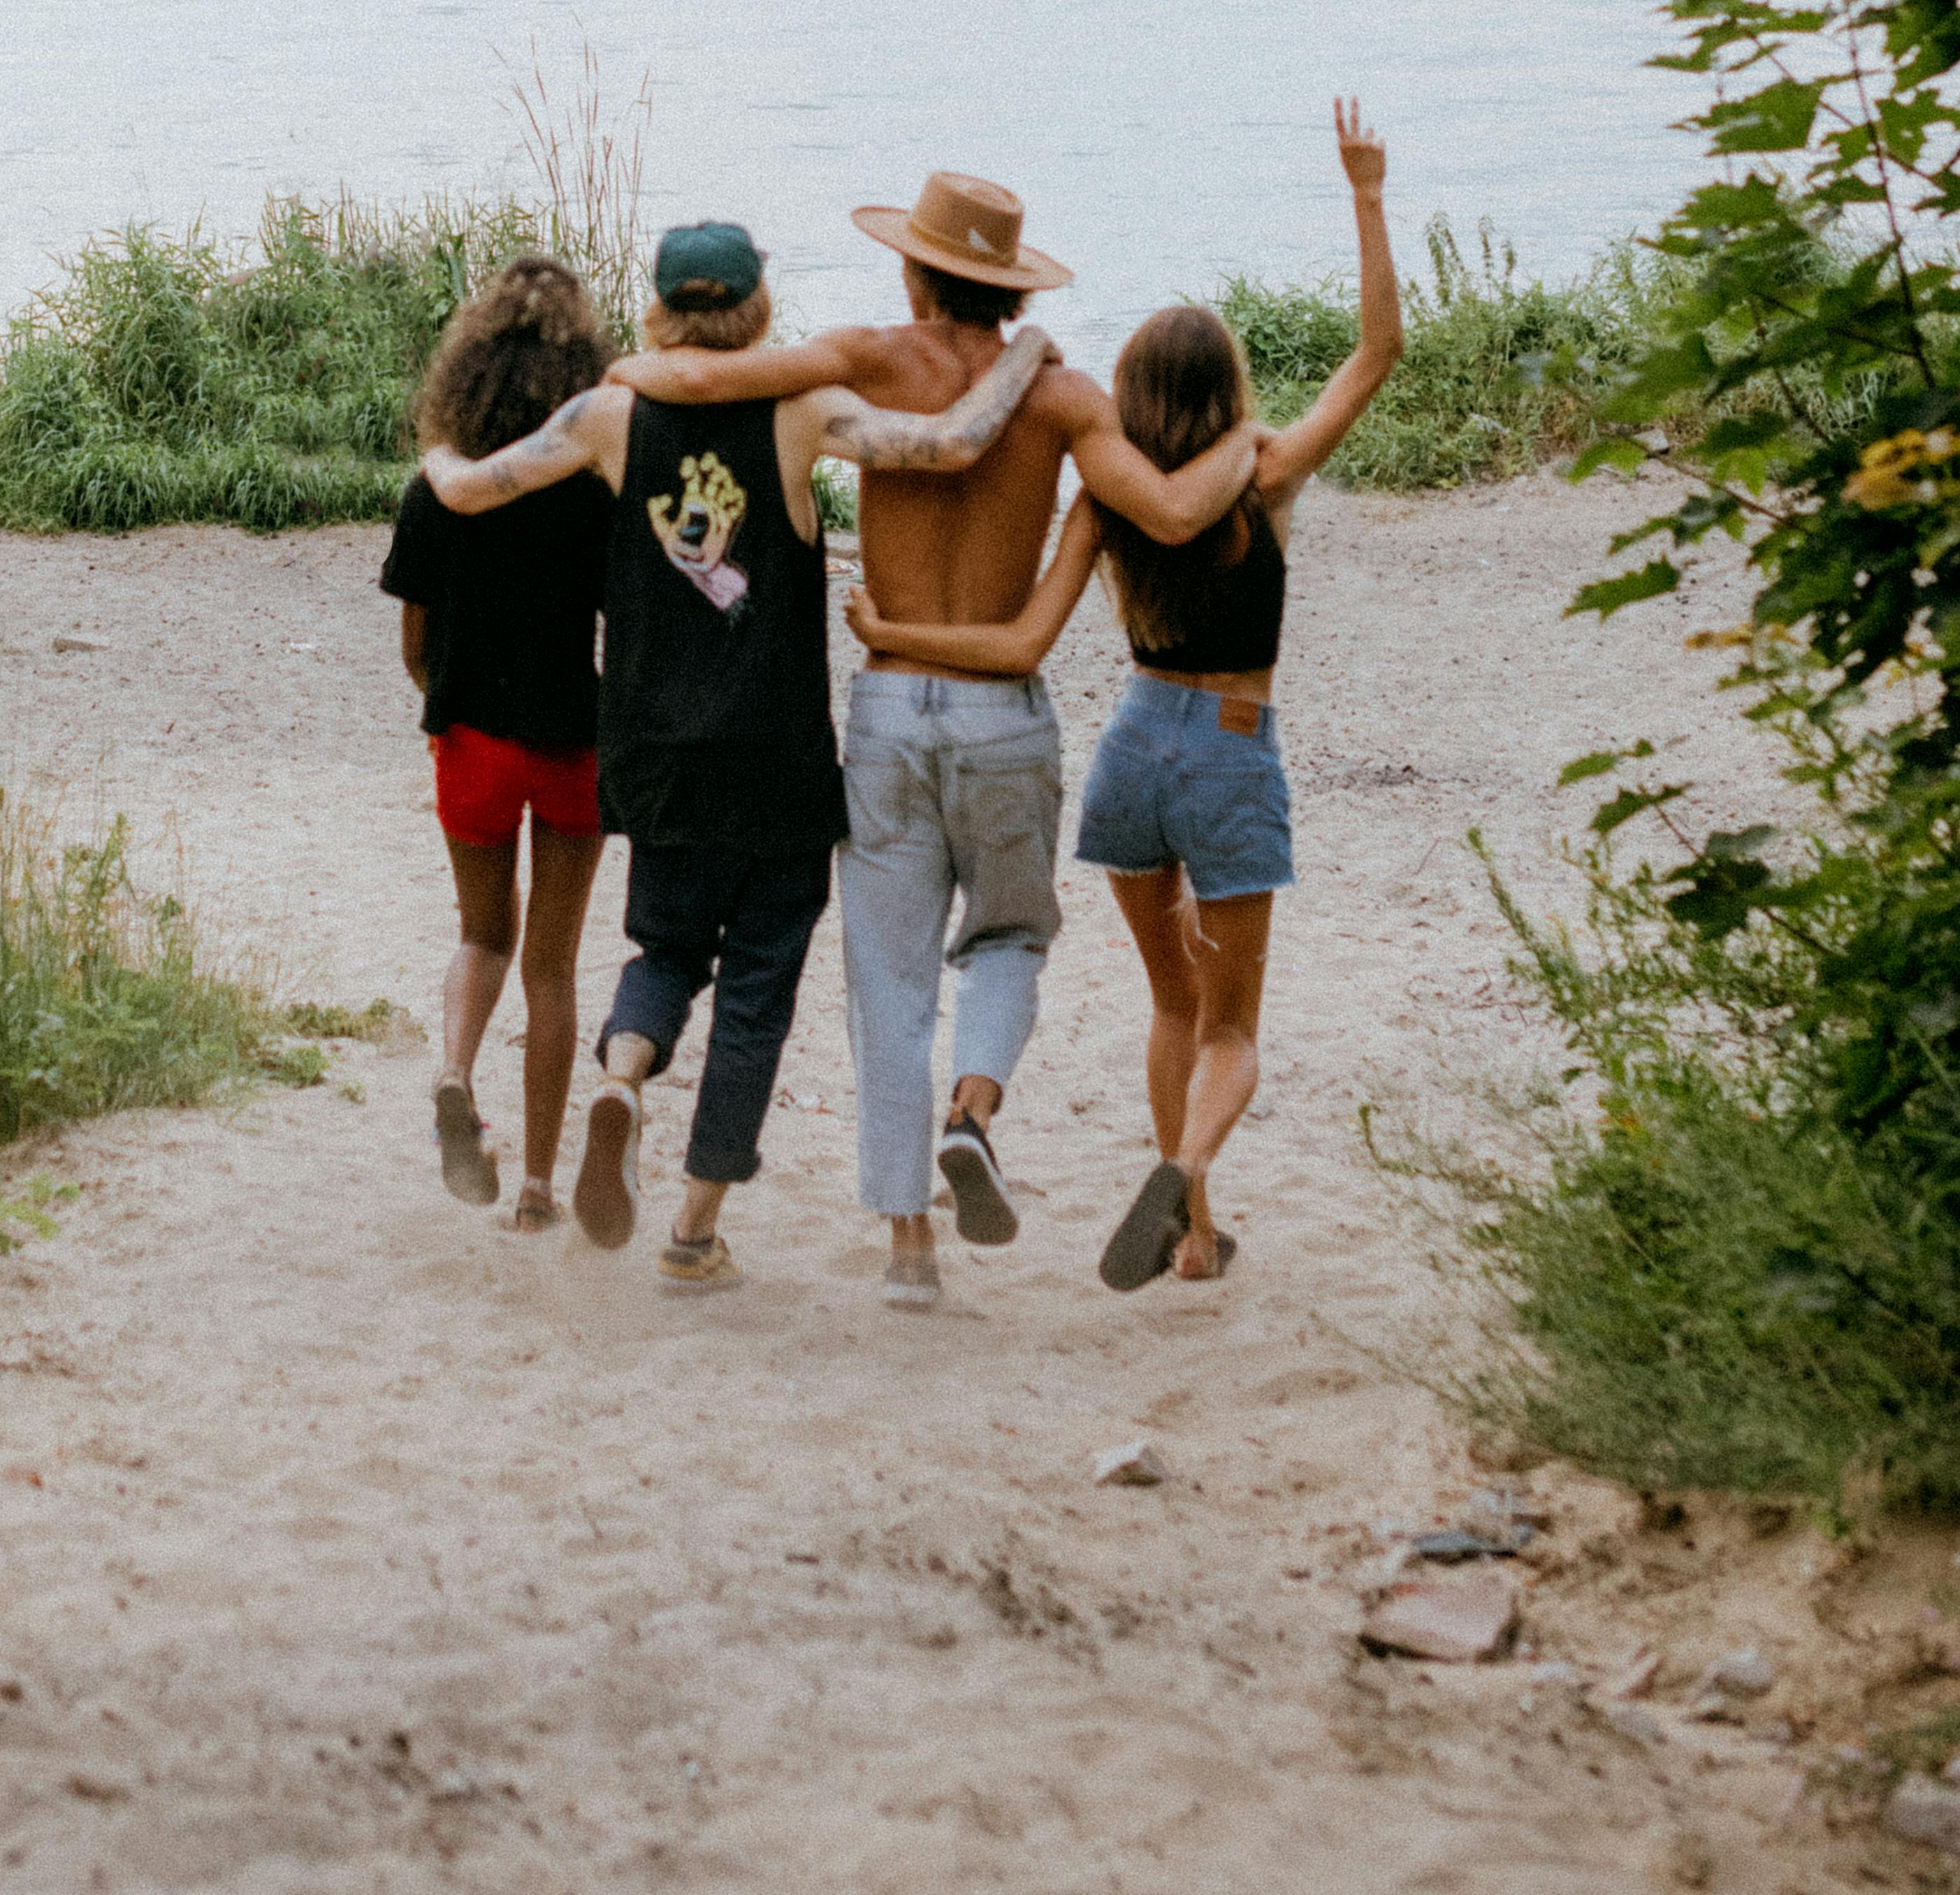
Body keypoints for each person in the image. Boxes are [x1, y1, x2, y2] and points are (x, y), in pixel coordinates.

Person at [610, 173, 1263, 1309]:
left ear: (914, 272)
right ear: (1011, 290)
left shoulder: (864, 358)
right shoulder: (1061, 398)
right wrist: (1253, 441)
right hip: (1002, 715)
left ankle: (909, 1249)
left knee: (889, 979)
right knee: (1009, 936)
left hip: (888, 708)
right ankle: (974, 1109)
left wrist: (621, 372)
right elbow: (1166, 512)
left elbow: (704, 378)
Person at [419, 217, 1061, 1291]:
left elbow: (473, 489)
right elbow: (951, 444)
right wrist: (1029, 354)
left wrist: (436, 451)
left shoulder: (609, 414)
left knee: (663, 953)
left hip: (653, 754)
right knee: (756, 997)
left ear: (659, 308)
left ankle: (624, 1076)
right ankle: (693, 1225)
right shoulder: (803, 413)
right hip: (778, 758)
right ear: (758, 308)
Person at [841, 101, 1403, 1288]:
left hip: (1134, 751)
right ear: (1228, 385)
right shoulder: (1261, 472)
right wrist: (1366, 195)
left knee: (1172, 1004)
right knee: (1232, 1029)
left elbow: (1026, 638)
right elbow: (1376, 356)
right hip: (1232, 746)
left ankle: (1194, 1233)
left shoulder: (1107, 495)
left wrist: (890, 634)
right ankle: (1184, 1172)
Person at [379, 252, 618, 1227]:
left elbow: (415, 649)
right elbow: (623, 634)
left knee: (482, 935)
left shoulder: (435, 493)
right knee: (551, 969)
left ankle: (453, 1074)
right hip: (569, 743)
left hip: (470, 738)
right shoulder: (594, 496)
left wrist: (456, 710)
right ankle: (536, 1189)